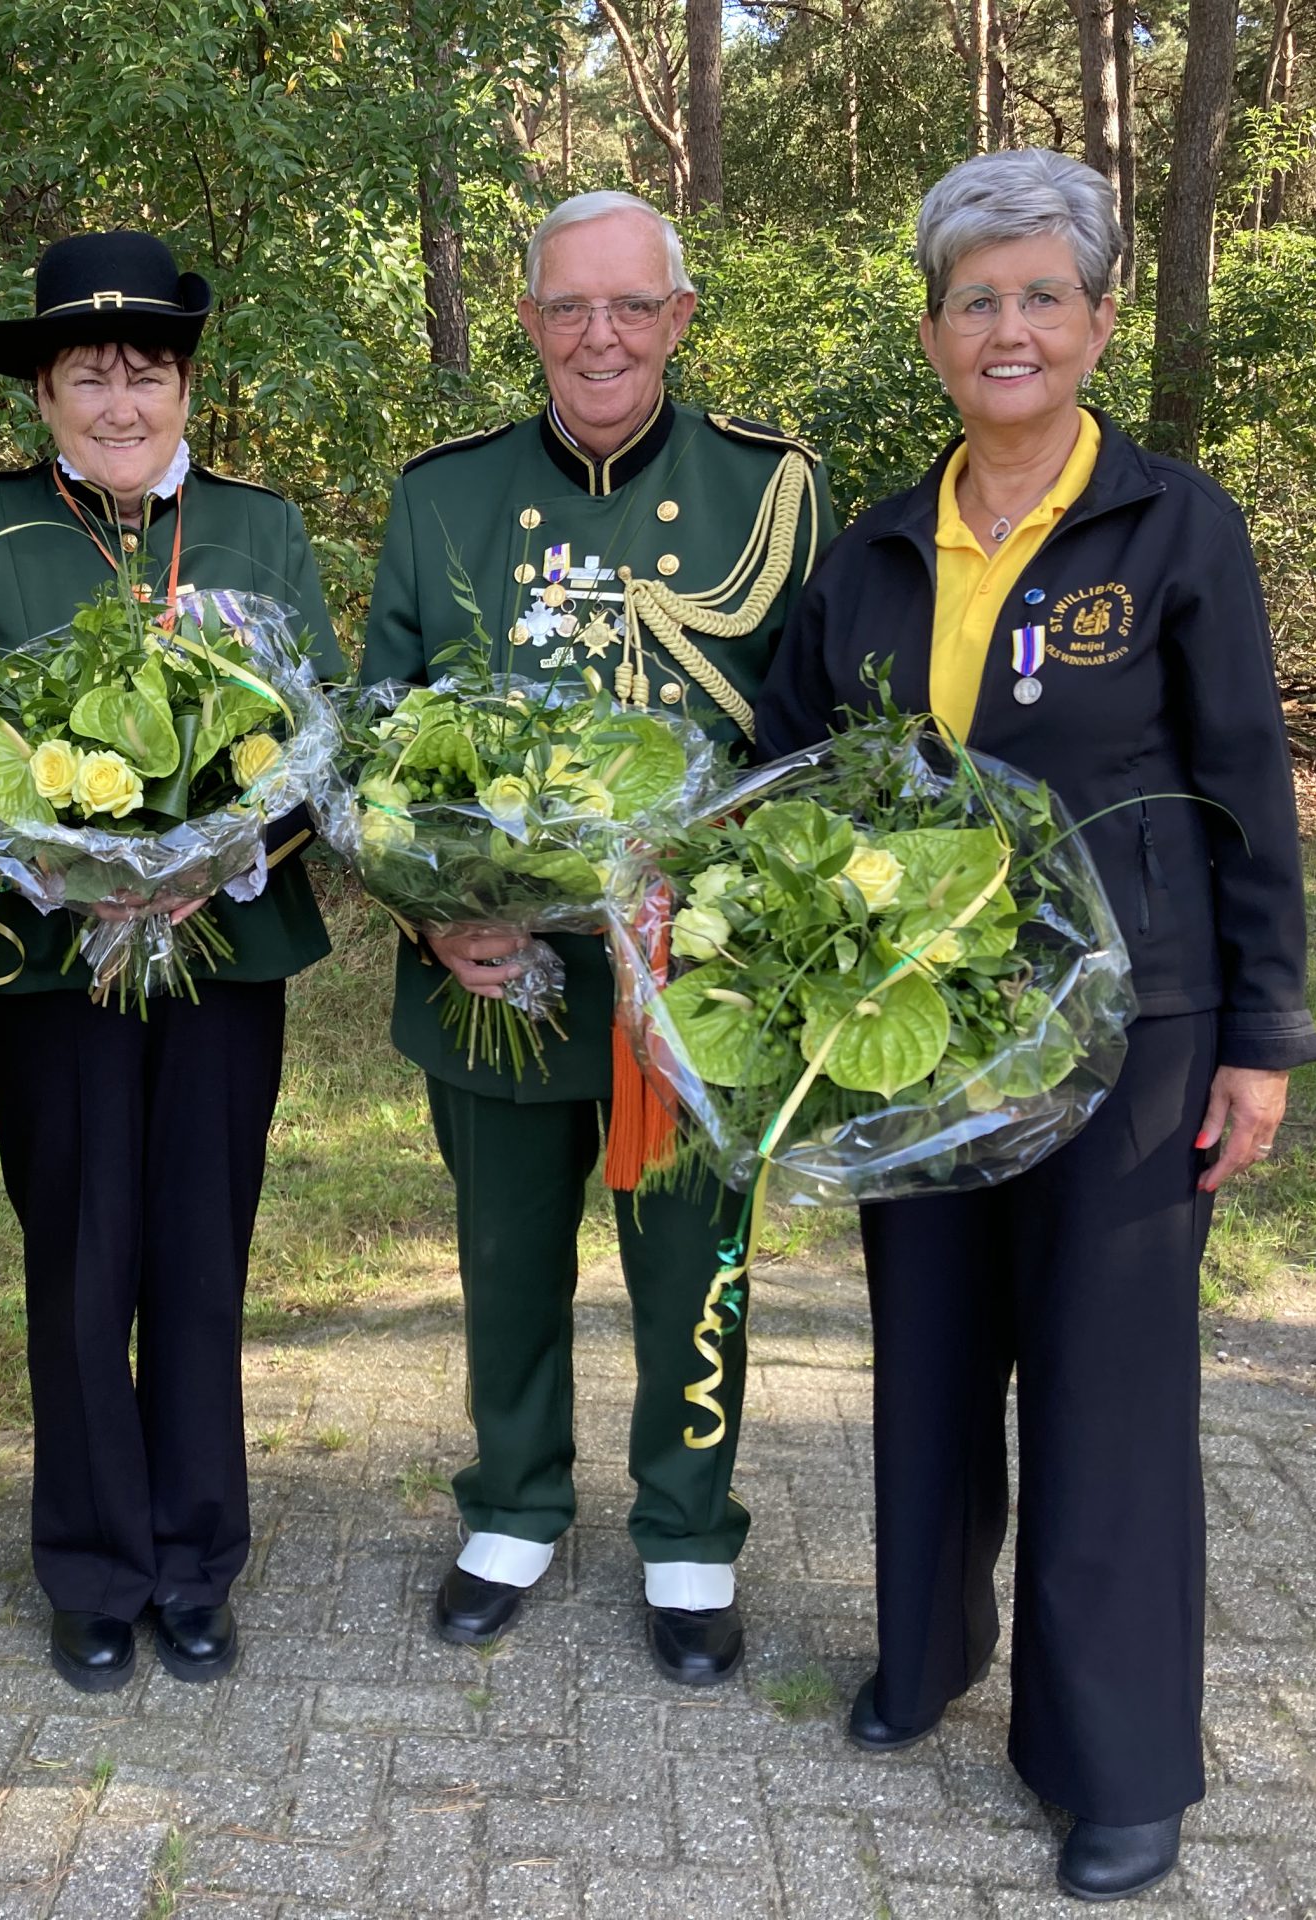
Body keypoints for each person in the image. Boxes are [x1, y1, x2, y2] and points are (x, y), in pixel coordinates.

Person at [754, 149, 1316, 1902]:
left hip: (1134, 1037)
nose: (1008, 327)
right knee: (929, 1352)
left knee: (1107, 1386)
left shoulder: (1175, 527)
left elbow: (1246, 789)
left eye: (1041, 297)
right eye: (976, 298)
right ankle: (927, 1657)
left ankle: (1117, 1761)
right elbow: (778, 770)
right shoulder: (864, 551)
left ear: (1093, 322)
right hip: (909, 1028)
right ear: (933, 333)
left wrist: (1260, 1038)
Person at [361, 190, 835, 1686]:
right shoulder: (442, 497)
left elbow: (816, 740)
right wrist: (433, 916)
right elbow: (375, 732)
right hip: (501, 978)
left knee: (694, 1270)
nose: (601, 335)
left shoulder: (773, 490)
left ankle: (689, 1533)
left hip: (697, 985)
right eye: (569, 308)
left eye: (632, 305)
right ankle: (512, 1507)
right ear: (530, 324)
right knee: (505, 1263)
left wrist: (747, 920)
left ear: (682, 318)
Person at [0, 231, 345, 1693]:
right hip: (51, 980)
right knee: (79, 1262)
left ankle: (197, 1554)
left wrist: (204, 863)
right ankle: (94, 1565)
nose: (123, 401)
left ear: (187, 385)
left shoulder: (260, 527)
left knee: (197, 1259)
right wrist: (73, 871)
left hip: (221, 957)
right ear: (41, 393)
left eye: (150, 371)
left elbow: (315, 740)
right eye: (90, 374)